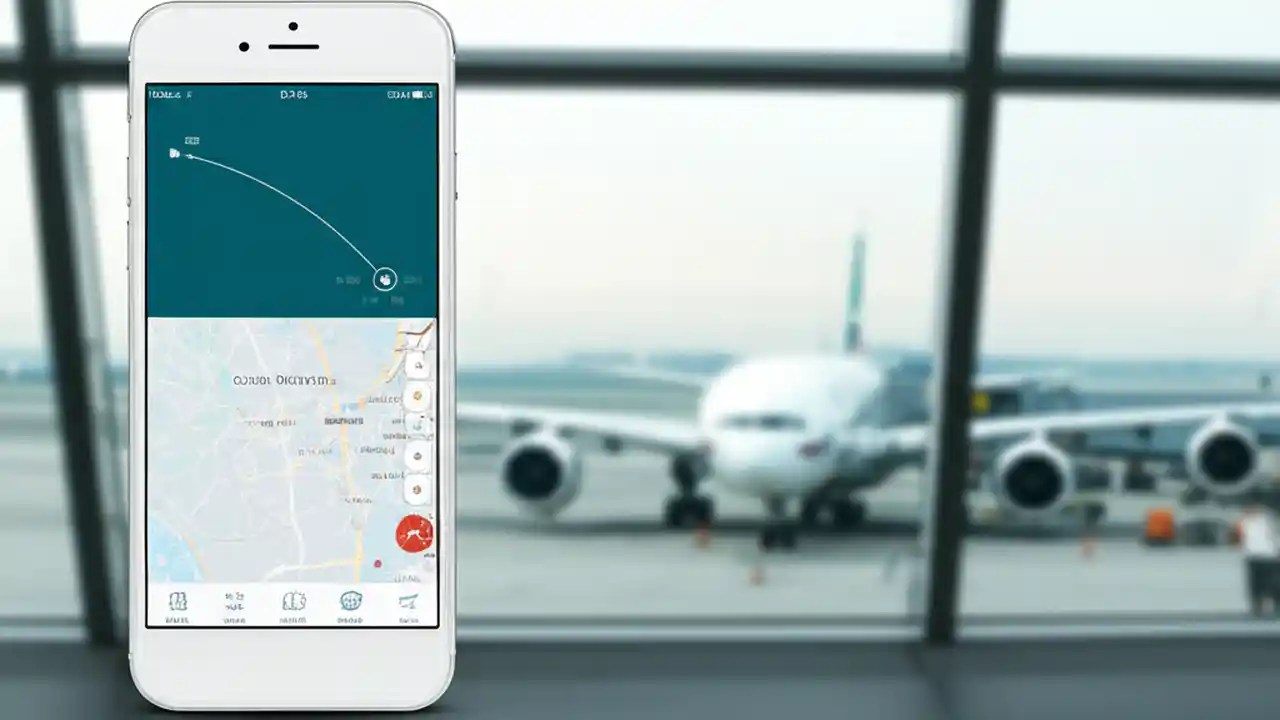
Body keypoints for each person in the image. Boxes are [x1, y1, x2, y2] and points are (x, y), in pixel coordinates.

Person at [1238, 502, 1280, 617]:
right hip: (1255, 557)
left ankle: (1273, 604)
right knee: (1257, 584)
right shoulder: (1245, 522)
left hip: (1269, 557)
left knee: (1272, 583)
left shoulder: (1267, 521)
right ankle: (1258, 605)